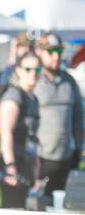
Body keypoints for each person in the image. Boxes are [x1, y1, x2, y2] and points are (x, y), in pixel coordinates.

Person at [32, 33, 82, 196]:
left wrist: (78, 150)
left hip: (67, 158)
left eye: (59, 52)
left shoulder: (69, 81)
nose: (56, 56)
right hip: (41, 161)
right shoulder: (34, 81)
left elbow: (78, 120)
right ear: (39, 52)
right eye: (51, 51)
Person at [0, 52, 41, 209]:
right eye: (28, 69)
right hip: (13, 166)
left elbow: (32, 138)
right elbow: (6, 133)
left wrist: (35, 170)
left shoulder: (33, 98)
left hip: (27, 165)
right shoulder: (13, 96)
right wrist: (10, 167)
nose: (33, 74)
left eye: (37, 70)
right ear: (18, 70)